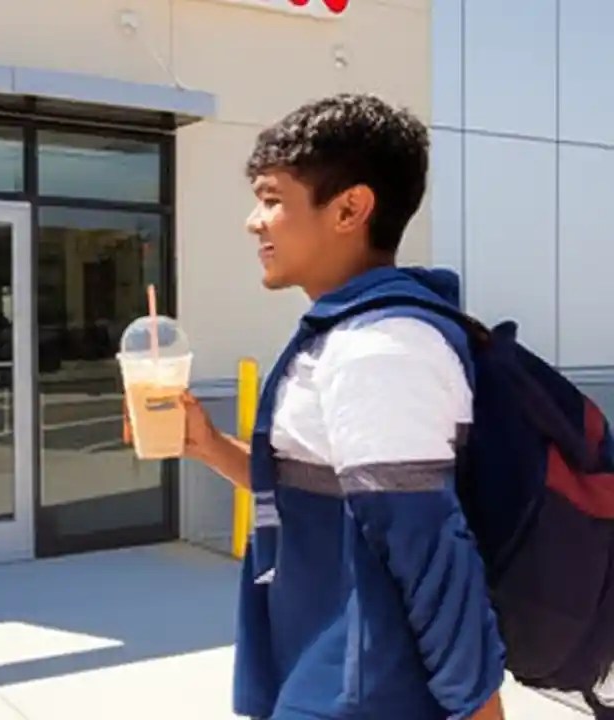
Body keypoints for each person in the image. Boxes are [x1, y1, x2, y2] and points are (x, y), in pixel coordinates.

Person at [180, 94, 507, 719]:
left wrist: (481, 710)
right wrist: (208, 447)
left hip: (367, 690)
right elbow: (322, 491)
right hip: (324, 670)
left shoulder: (381, 349)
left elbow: (428, 550)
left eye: (273, 198)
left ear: (351, 208)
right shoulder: (347, 335)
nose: (255, 221)